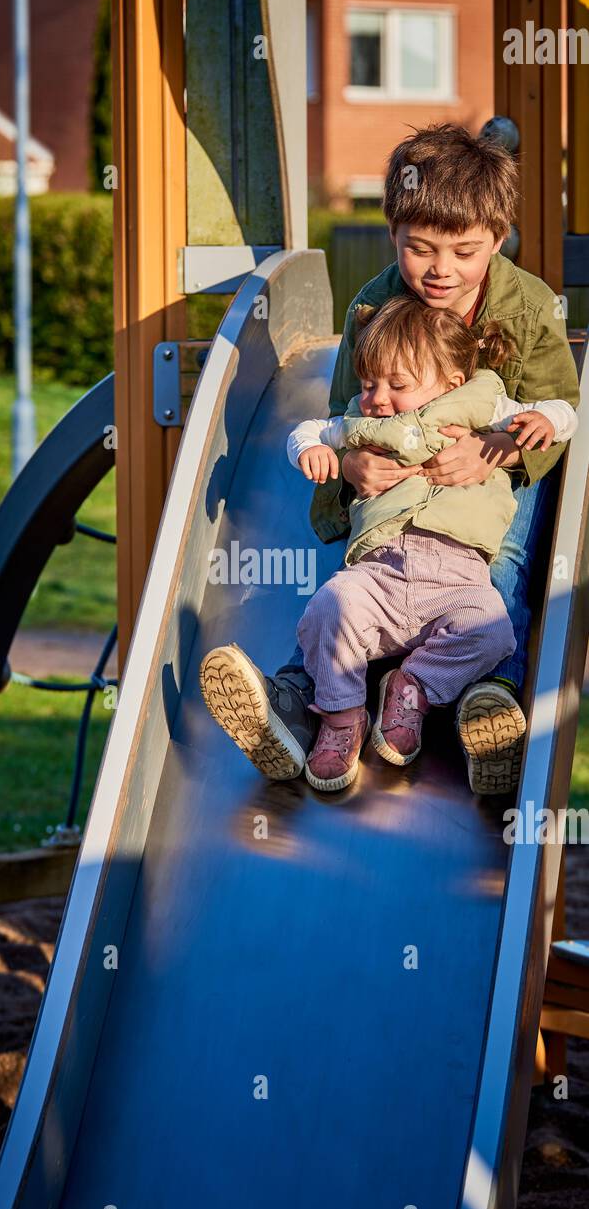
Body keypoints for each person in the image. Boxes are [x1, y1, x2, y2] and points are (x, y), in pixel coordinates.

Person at [199, 122, 580, 795]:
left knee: (506, 567)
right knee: (348, 580)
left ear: (497, 238)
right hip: (395, 477)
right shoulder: (374, 303)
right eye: (420, 249)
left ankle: (488, 701)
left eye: (464, 252)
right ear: (393, 234)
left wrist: (497, 450)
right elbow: (344, 406)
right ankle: (299, 701)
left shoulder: (525, 306)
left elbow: (559, 400)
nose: (441, 270)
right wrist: (348, 469)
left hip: (494, 474)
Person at [284, 295, 576, 791]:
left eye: (398, 385)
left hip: (458, 574)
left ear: (452, 383)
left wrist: (546, 421)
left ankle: (412, 686)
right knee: (329, 607)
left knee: (493, 630)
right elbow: (310, 429)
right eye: (370, 382)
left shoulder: (484, 406)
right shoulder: (362, 417)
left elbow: (562, 411)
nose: (378, 397)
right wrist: (310, 449)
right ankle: (342, 715)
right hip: (379, 572)